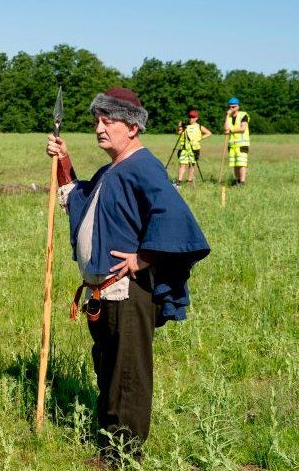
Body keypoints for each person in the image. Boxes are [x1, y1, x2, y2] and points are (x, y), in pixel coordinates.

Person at [45, 87, 210, 466]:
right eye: (97, 121)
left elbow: (175, 217)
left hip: (129, 292)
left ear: (132, 127)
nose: (99, 128)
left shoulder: (143, 166)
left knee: (128, 374)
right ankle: (109, 440)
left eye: (109, 121)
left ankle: (122, 454)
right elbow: (80, 200)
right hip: (102, 293)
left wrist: (143, 257)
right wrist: (63, 161)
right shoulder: (112, 169)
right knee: (109, 367)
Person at [176, 110, 212, 185]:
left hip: (194, 149)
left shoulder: (199, 126)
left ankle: (189, 181)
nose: (191, 118)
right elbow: (178, 133)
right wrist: (179, 126)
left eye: (192, 117)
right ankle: (179, 181)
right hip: (184, 149)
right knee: (182, 165)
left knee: (192, 165)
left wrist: (200, 138)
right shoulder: (185, 126)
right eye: (189, 117)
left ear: (196, 118)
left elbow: (208, 133)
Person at [224, 97, 250, 185]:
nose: (231, 108)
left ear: (238, 107)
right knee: (235, 164)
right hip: (232, 145)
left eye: (233, 107)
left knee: (241, 163)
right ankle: (237, 181)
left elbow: (243, 128)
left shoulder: (243, 115)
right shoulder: (229, 117)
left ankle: (242, 182)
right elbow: (226, 128)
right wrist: (227, 116)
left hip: (242, 144)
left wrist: (231, 130)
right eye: (230, 107)